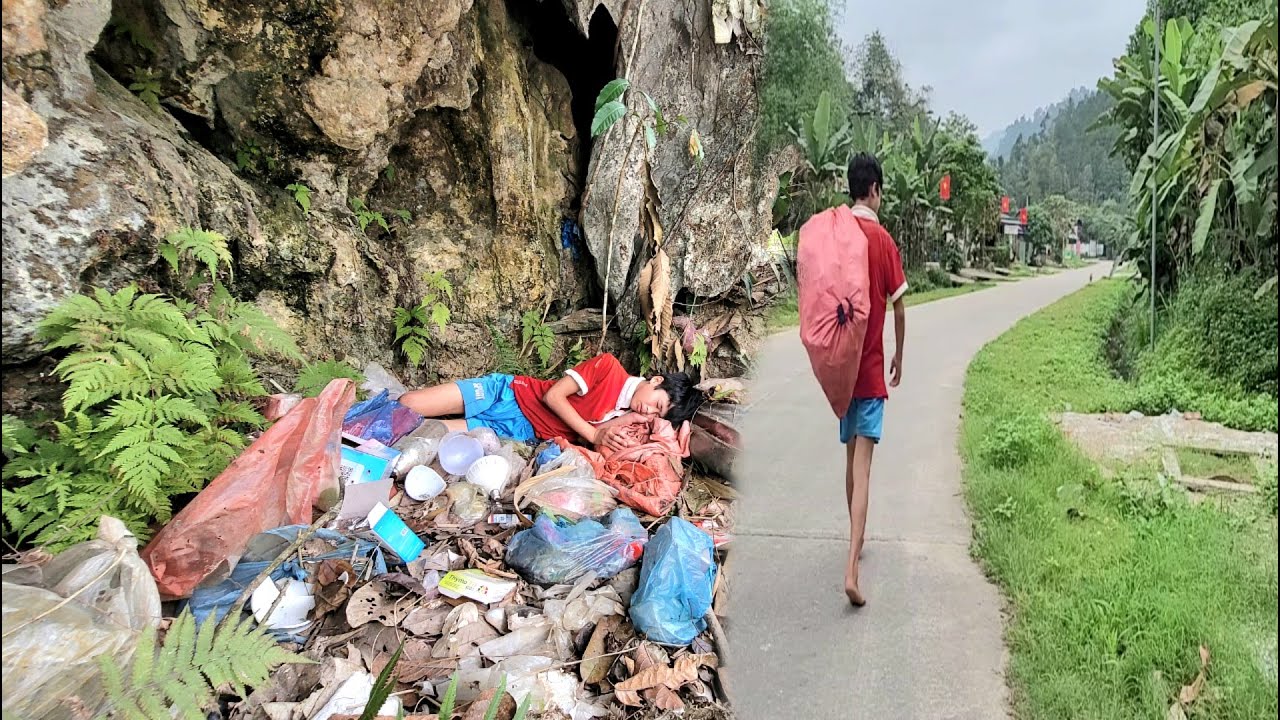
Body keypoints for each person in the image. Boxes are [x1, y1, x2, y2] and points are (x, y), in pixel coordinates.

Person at [398, 353, 702, 451]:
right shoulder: (609, 367)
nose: (648, 411)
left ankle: (358, 446)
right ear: (657, 381)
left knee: (423, 435)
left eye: (656, 415)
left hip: (517, 431)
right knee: (408, 404)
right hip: (508, 393)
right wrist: (595, 433)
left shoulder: (626, 419)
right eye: (657, 404)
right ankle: (356, 425)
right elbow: (552, 396)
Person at [843, 153, 907, 607]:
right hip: (868, 372)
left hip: (838, 372)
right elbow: (900, 306)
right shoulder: (882, 241)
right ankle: (851, 565)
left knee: (850, 462)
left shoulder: (833, 234)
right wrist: (899, 354)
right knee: (863, 470)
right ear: (876, 190)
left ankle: (856, 540)